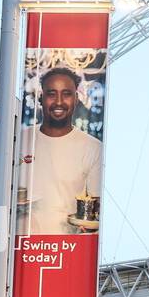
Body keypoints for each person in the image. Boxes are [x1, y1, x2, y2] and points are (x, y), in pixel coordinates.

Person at [16, 66, 104, 236]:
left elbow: (95, 210)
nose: (58, 102)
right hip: (23, 250)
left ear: (76, 99)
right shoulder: (20, 140)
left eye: (66, 94)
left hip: (67, 248)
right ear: (41, 98)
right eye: (51, 94)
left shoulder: (93, 148)